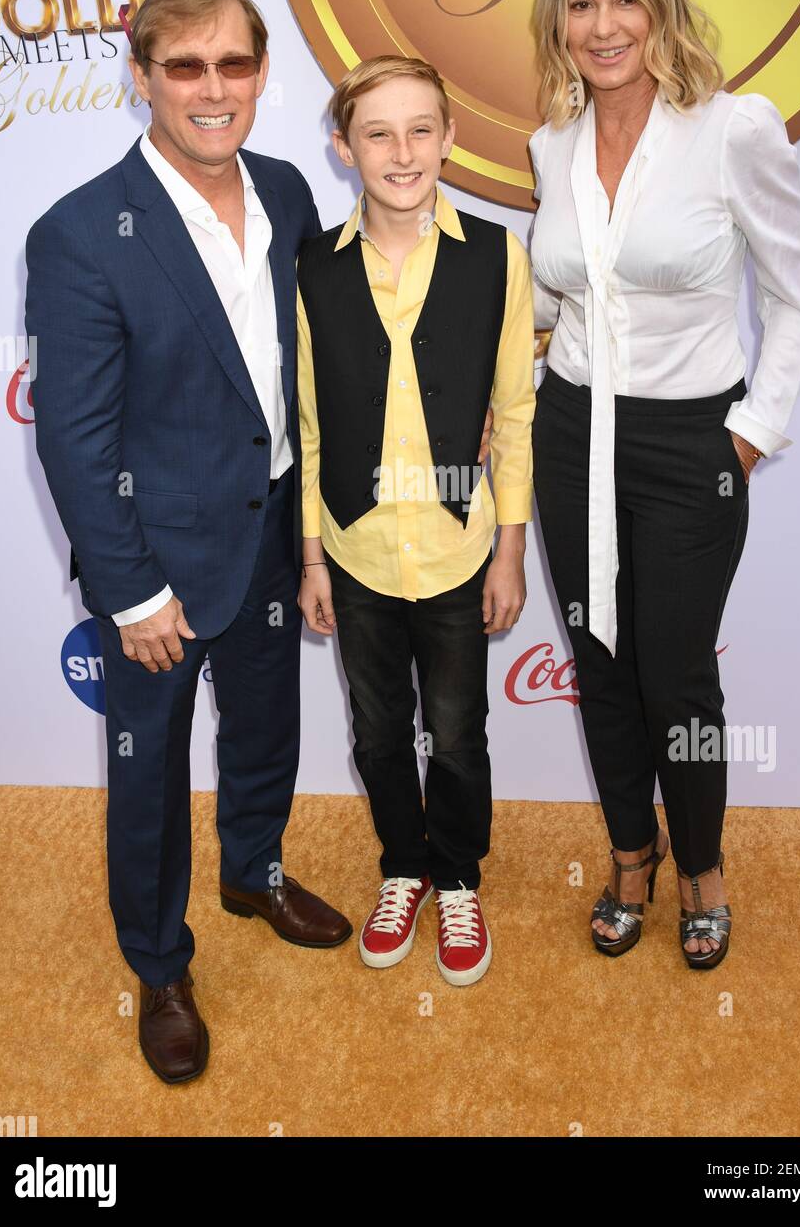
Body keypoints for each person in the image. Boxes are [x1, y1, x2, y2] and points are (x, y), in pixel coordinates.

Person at [24, 0, 351, 1084]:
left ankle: (255, 872)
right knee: (151, 775)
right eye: (186, 66)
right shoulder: (81, 233)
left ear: (261, 73)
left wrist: (314, 537)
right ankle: (161, 965)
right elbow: (74, 437)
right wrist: (131, 591)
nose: (214, 89)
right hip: (155, 562)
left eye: (234, 64)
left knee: (267, 730)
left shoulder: (289, 191)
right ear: (143, 78)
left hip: (272, 535)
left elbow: (310, 370)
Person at [527, 0, 800, 968]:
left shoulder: (734, 130)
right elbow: (561, 294)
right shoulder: (551, 143)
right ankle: (630, 854)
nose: (604, 26)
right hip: (572, 431)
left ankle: (701, 864)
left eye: (625, 0)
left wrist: (744, 438)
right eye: (581, 4)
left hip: (692, 442)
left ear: (660, 4)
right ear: (558, 21)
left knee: (677, 674)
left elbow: (795, 302)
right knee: (598, 662)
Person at [296, 56, 536, 986]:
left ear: (449, 138)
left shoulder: (497, 257)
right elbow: (311, 427)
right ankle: (404, 866)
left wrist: (509, 552)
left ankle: (459, 874)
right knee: (378, 732)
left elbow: (514, 413)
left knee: (459, 729)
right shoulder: (314, 266)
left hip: (457, 547)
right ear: (344, 149)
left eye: (420, 130)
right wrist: (312, 559)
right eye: (378, 134)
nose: (402, 153)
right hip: (355, 547)